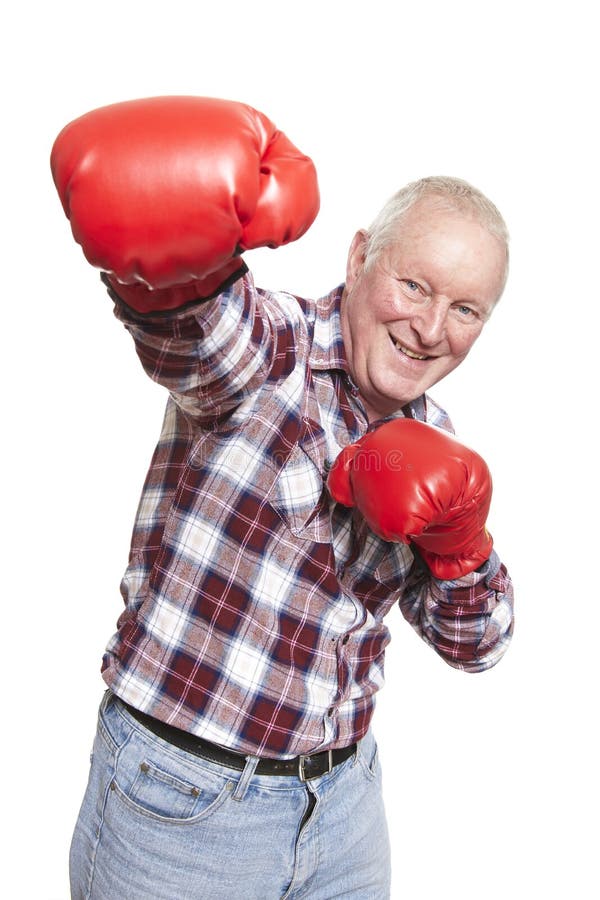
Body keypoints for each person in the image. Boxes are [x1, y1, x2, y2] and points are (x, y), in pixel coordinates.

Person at [51, 96, 514, 900]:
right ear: (362, 254)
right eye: (416, 284)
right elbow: (201, 337)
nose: (431, 327)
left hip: (343, 807)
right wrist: (172, 278)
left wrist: (461, 546)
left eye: (465, 309)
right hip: (185, 804)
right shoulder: (275, 352)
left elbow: (478, 645)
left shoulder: (436, 438)